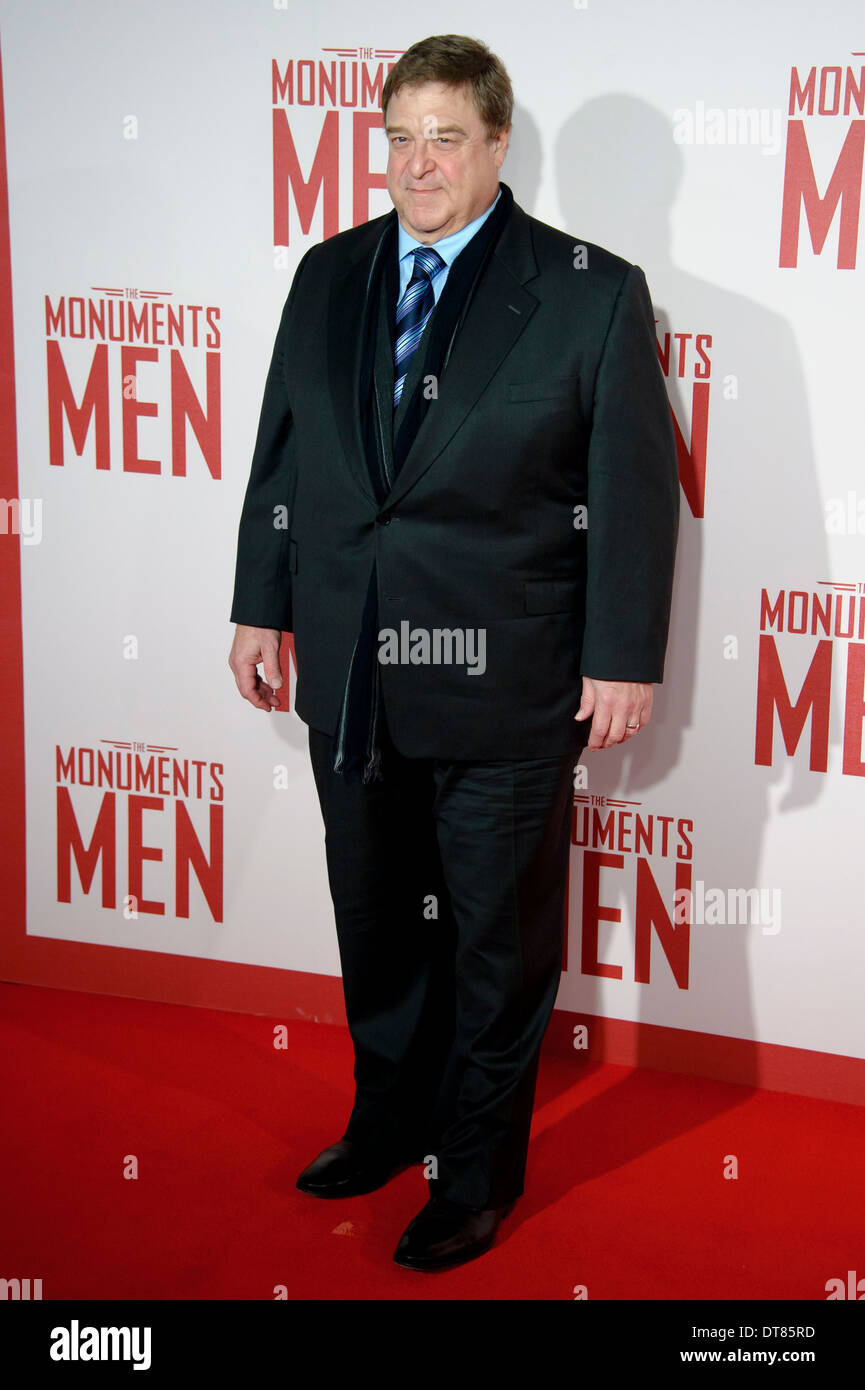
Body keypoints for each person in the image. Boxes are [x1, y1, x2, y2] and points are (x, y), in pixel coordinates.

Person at [229, 33, 679, 1273]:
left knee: (494, 940)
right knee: (376, 922)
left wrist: (622, 653)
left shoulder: (589, 289)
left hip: (510, 680)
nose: (417, 164)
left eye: (444, 138)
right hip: (354, 672)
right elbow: (284, 455)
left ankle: (473, 1176)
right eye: (397, 138)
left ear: (494, 144)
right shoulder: (328, 275)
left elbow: (631, 495)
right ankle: (388, 1123)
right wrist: (260, 602)